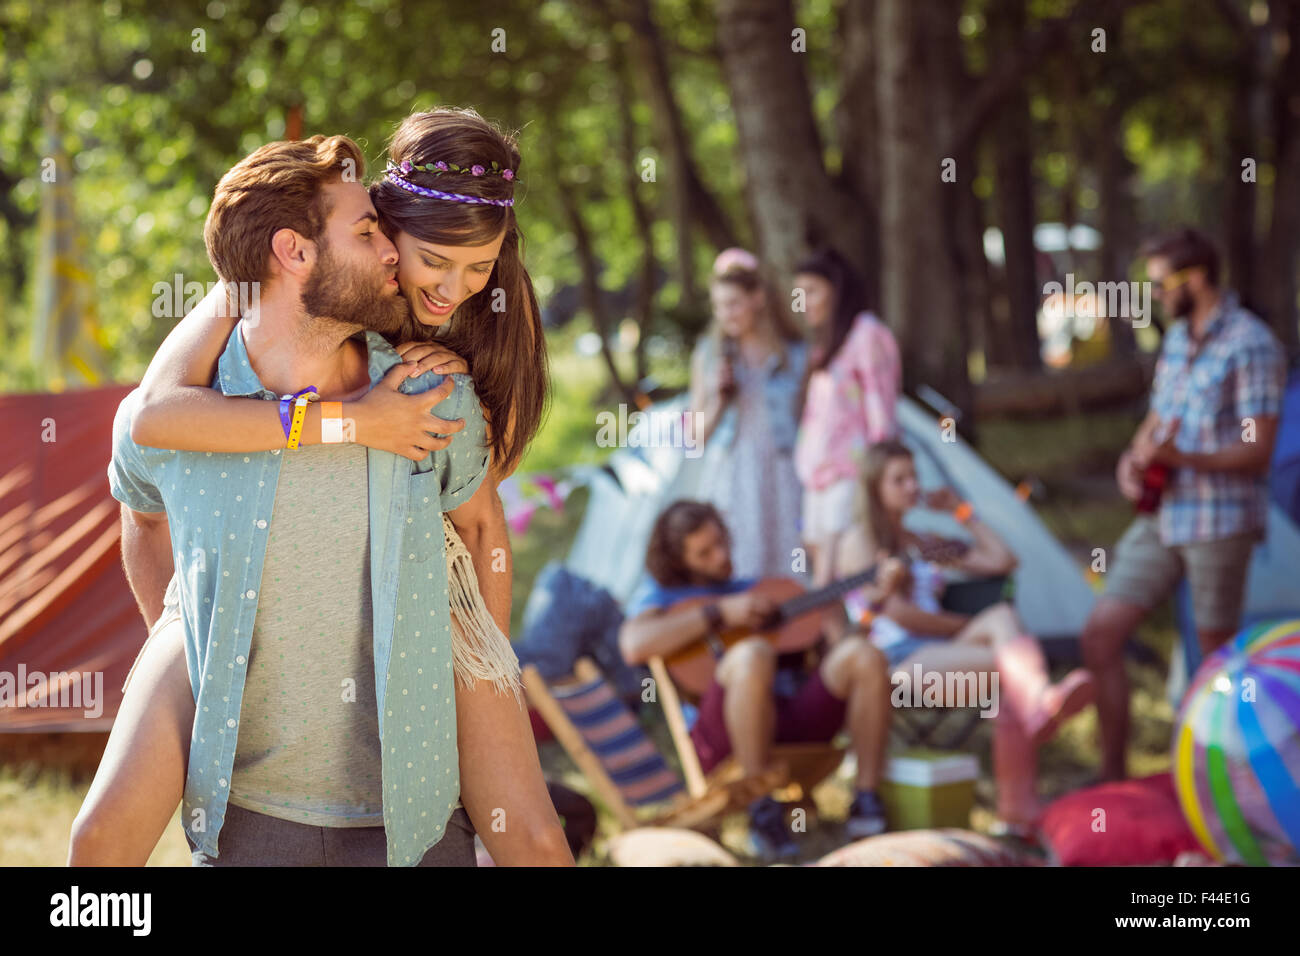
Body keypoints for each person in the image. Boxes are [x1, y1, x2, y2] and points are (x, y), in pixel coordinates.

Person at [71, 116, 571, 866]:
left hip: (423, 689)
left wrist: (480, 684)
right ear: (302, 250)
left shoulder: (435, 378)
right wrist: (188, 639)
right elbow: (150, 441)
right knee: (99, 843)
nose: (447, 287)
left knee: (531, 833)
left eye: (479, 271)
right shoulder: (204, 377)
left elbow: (480, 530)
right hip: (251, 789)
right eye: (405, 249)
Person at [1080, 228, 1286, 781]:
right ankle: (1113, 778)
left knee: (1216, 661)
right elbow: (1157, 418)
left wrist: (1184, 457)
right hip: (1162, 515)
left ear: (1195, 279)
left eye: (1161, 283)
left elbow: (1258, 447)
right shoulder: (1176, 340)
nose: (1155, 295)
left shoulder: (1252, 344)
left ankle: (1226, 787)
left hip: (1219, 521)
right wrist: (1134, 457)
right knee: (1101, 634)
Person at [830, 439, 1095, 831]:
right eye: (898, 479)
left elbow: (1003, 559)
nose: (911, 486)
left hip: (940, 654)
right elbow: (898, 614)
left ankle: (1037, 706)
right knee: (1009, 666)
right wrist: (965, 628)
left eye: (913, 476)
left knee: (1003, 623)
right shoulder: (860, 542)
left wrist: (959, 511)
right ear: (874, 488)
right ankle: (1019, 800)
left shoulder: (924, 542)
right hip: (894, 664)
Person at [618, 500, 904, 860]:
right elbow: (633, 645)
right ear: (677, 560)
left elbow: (840, 646)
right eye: (705, 553)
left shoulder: (763, 588)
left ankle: (865, 801)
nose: (721, 556)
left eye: (722, 543)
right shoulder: (660, 596)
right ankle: (762, 809)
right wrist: (719, 612)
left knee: (865, 654)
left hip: (791, 720)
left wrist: (873, 604)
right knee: (753, 653)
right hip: (722, 738)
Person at [687, 248, 808, 580]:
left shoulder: (796, 356)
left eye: (733, 304)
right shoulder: (709, 356)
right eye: (718, 306)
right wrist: (719, 399)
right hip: (733, 472)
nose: (725, 315)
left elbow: (811, 425)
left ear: (758, 299)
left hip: (785, 473)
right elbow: (694, 439)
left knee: (791, 562)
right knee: (740, 560)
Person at [792, 248, 901, 588]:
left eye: (812, 291)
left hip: (852, 474)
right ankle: (834, 641)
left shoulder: (868, 334)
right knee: (821, 573)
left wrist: (879, 473)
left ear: (837, 290)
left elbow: (880, 408)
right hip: (818, 478)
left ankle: (855, 641)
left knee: (839, 576)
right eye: (799, 293)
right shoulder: (826, 346)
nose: (803, 302)